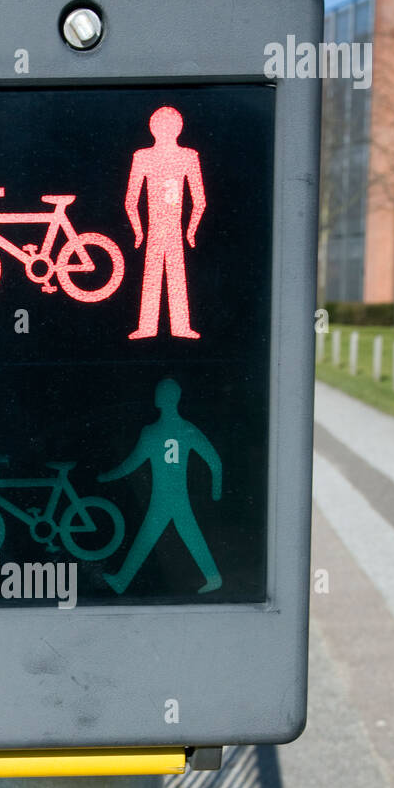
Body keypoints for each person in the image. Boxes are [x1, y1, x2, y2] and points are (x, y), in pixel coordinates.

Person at [99, 378, 222, 594]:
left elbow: (131, 464)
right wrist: (216, 490)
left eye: (158, 393)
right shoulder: (187, 429)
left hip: (164, 498)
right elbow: (214, 461)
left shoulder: (152, 433)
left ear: (162, 399)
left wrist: (108, 477)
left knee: (151, 537)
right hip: (173, 497)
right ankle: (122, 580)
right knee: (164, 536)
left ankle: (122, 580)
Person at [125, 106, 206, 340]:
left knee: (154, 275)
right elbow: (199, 202)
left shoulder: (144, 156)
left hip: (156, 227)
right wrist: (190, 230)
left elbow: (130, 201)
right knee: (174, 274)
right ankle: (178, 327)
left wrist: (138, 231)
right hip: (172, 226)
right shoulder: (188, 156)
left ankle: (150, 327)